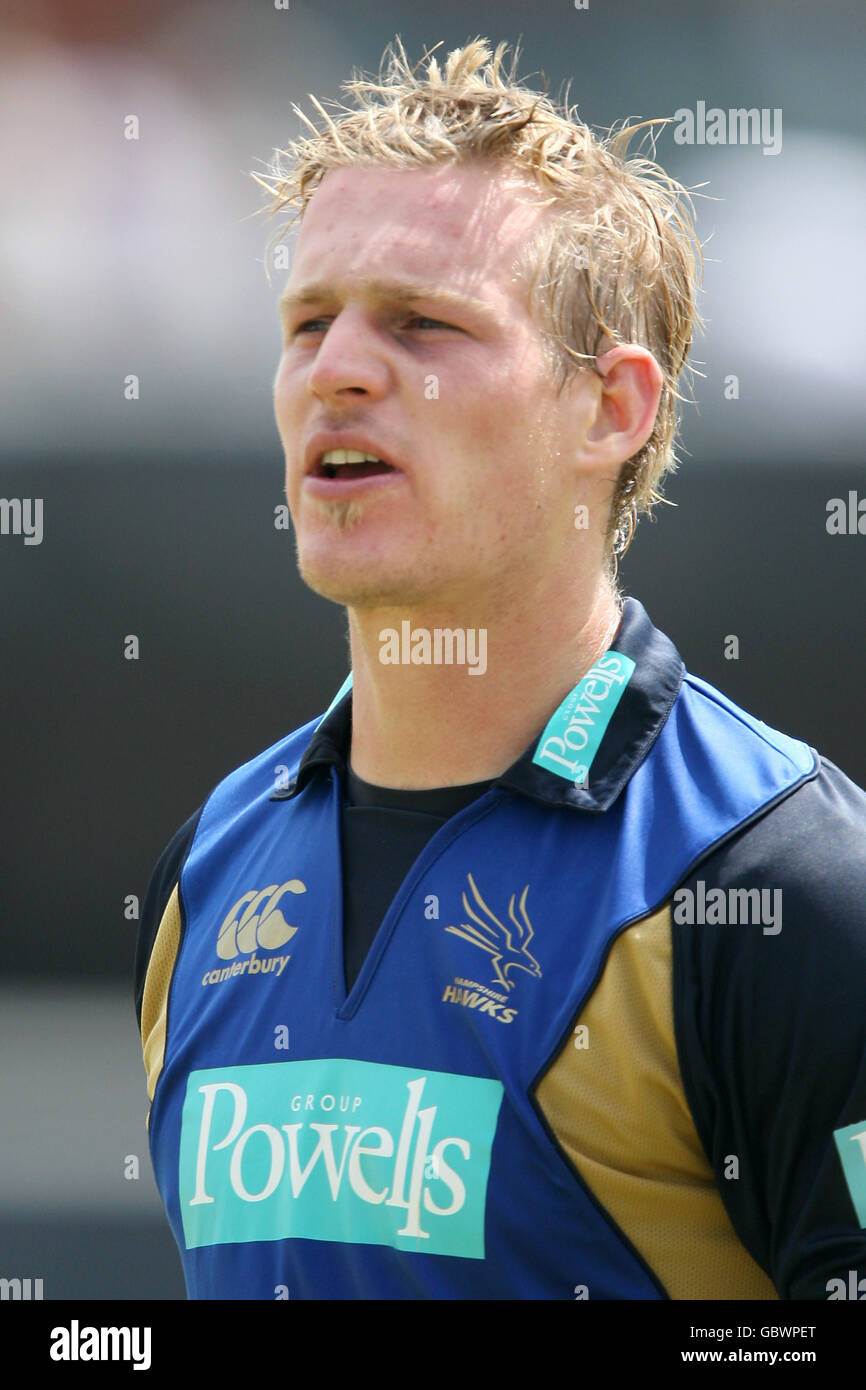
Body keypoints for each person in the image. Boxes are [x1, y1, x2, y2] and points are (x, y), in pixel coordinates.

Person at [135, 38, 866, 1300]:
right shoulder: (207, 873)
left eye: (423, 322)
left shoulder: (783, 886)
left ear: (610, 409)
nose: (338, 370)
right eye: (308, 321)